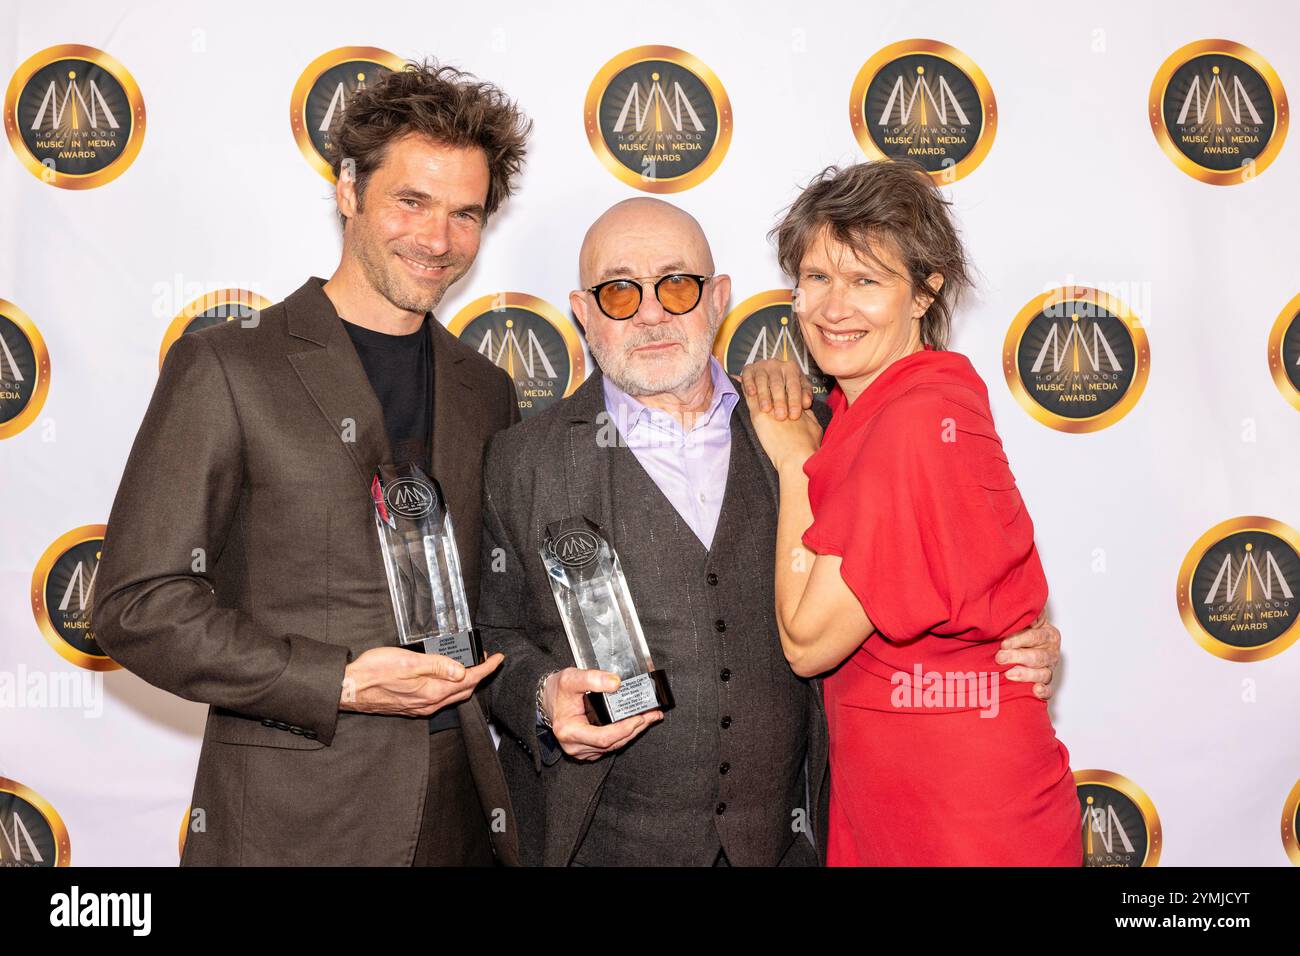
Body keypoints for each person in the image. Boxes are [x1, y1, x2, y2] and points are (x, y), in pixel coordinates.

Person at [477, 196, 1064, 866]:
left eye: (677, 284)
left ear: (718, 298)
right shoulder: (520, 460)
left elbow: (952, 544)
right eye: (618, 292)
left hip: (793, 844)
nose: (651, 312)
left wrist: (1006, 641)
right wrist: (543, 697)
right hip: (599, 846)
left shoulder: (816, 427)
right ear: (583, 313)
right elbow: (494, 635)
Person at [92, 61, 531, 865]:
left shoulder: (487, 390)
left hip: (461, 819)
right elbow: (135, 604)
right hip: (291, 822)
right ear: (348, 190)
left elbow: (497, 602)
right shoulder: (229, 366)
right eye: (411, 201)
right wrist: (337, 680)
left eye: (465, 214)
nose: (437, 240)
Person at [744, 159, 1081, 866]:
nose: (836, 308)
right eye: (817, 278)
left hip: (956, 812)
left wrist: (793, 460)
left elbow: (808, 642)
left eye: (867, 281)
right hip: (898, 789)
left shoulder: (915, 417)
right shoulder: (893, 403)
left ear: (924, 293)